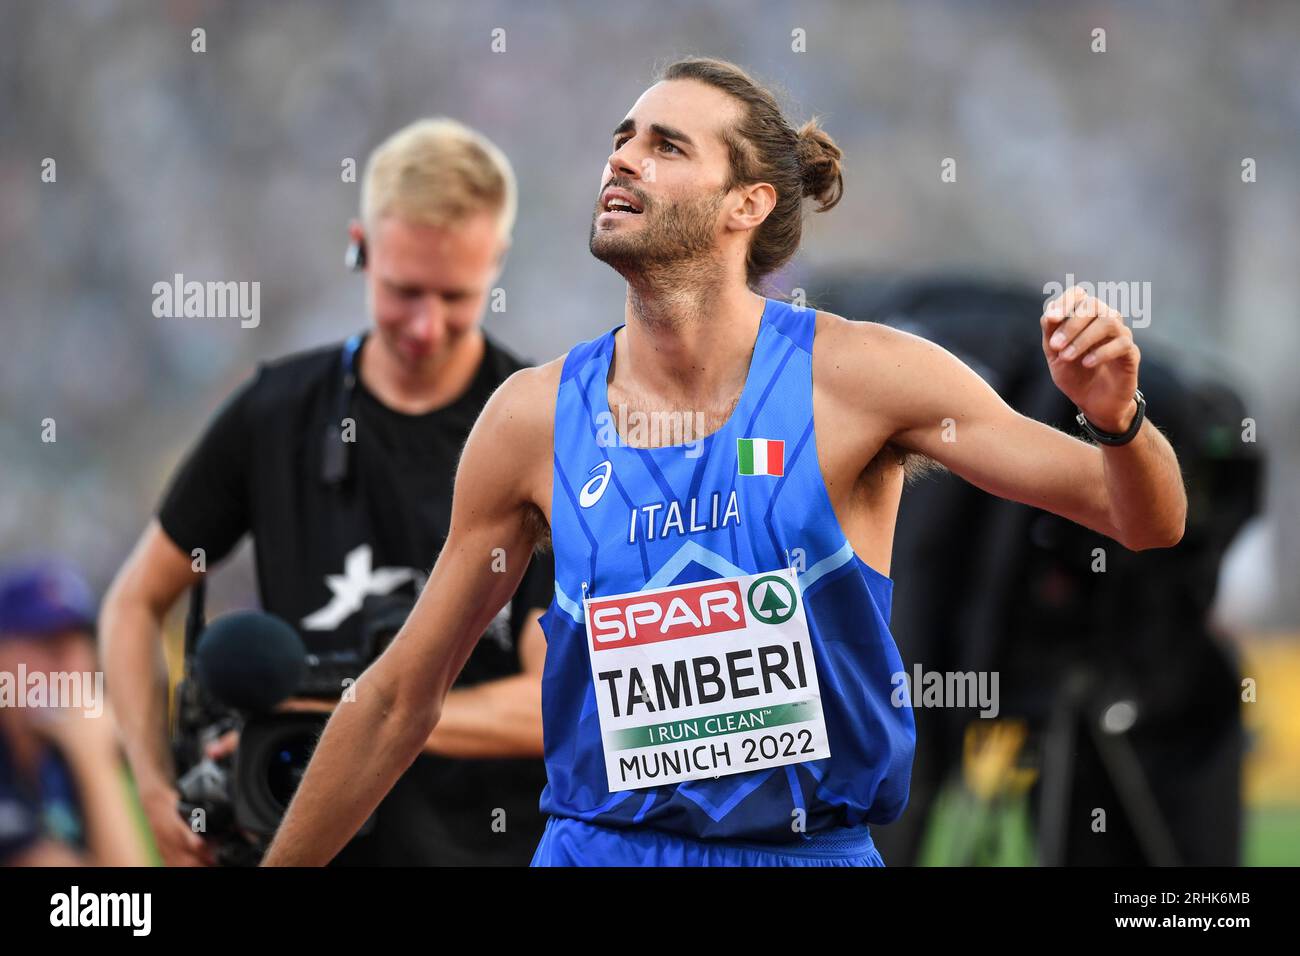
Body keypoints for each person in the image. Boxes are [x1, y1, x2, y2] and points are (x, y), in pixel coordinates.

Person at [261, 57, 1187, 867]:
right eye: (622, 139)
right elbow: (397, 699)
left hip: (806, 854)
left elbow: (1146, 519)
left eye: (666, 146)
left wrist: (1117, 418)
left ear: (749, 204)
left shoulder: (864, 379)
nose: (622, 158)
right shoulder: (532, 419)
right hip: (596, 850)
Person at [101, 118, 553, 866]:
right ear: (360, 246)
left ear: (497, 260)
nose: (424, 325)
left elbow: (559, 700)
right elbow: (132, 602)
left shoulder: (537, 428)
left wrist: (366, 713)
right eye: (403, 290)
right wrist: (152, 785)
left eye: (456, 295)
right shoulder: (275, 412)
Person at [0, 560, 149, 866]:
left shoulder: (55, 760)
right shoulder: (80, 751)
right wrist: (96, 762)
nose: (73, 669)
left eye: (83, 645)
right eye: (50, 647)